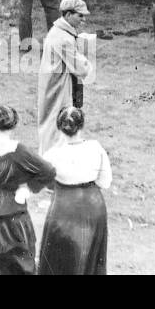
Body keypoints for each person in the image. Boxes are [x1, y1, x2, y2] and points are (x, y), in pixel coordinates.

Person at [0, 105, 56, 275]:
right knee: (20, 266)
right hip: (14, 219)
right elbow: (48, 171)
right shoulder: (18, 150)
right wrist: (29, 188)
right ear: (12, 125)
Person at [38, 106, 111, 275]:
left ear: (59, 127)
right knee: (90, 258)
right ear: (82, 125)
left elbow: (44, 182)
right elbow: (105, 182)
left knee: (59, 259)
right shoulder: (95, 148)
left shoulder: (52, 154)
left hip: (64, 207)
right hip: (93, 206)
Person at [36, 0, 94, 153]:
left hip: (52, 82)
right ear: (68, 15)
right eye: (80, 15)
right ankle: (50, 161)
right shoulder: (63, 37)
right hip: (58, 86)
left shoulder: (59, 31)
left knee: (51, 121)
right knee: (56, 122)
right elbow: (81, 69)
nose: (83, 19)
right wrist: (87, 62)